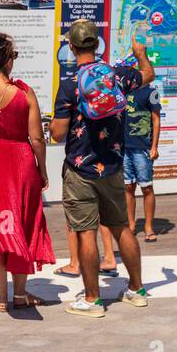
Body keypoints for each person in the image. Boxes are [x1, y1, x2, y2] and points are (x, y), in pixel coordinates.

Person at [49, 20, 152, 318]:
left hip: (80, 169)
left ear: (71, 47)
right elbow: (148, 75)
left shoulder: (69, 85)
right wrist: (140, 53)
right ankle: (136, 289)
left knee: (85, 233)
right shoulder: (117, 75)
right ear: (97, 44)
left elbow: (57, 133)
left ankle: (93, 299)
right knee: (122, 227)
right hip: (113, 165)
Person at [0, 30, 56, 310]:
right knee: (22, 224)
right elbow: (37, 138)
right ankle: (20, 294)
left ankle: (1, 298)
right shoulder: (23, 92)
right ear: (8, 61)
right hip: (20, 163)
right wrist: (42, 171)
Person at [123, 74, 161, 241]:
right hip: (124, 148)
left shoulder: (151, 92)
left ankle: (148, 226)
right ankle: (131, 225)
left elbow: (156, 120)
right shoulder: (121, 91)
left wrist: (154, 146)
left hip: (143, 148)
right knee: (128, 187)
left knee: (146, 187)